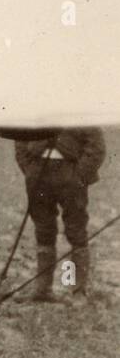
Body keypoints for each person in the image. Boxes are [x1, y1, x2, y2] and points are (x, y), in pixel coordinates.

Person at [15, 129, 107, 302]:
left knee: (76, 231)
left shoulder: (81, 113)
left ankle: (77, 291)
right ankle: (43, 290)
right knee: (43, 230)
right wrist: (30, 169)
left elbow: (96, 146)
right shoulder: (33, 112)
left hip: (71, 172)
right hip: (38, 172)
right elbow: (20, 138)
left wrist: (79, 175)